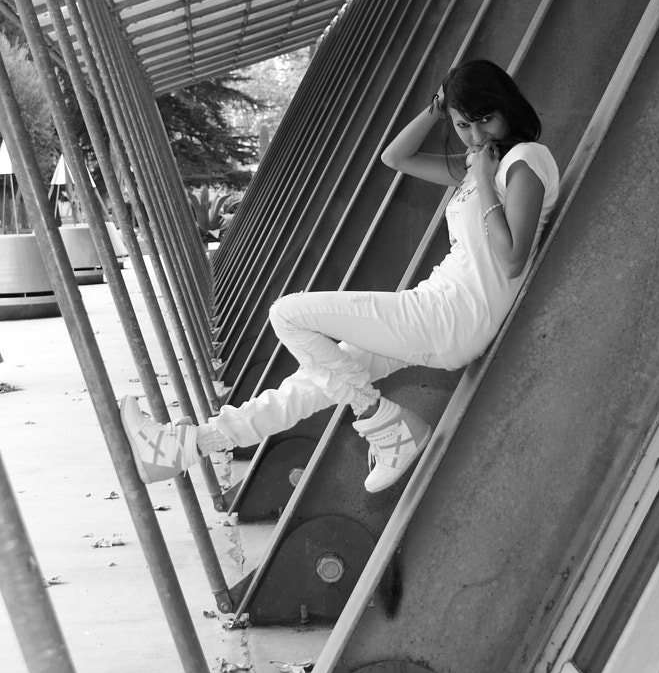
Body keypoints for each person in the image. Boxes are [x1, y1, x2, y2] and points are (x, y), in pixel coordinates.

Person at [120, 60, 559, 493]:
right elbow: (395, 157)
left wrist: (483, 180)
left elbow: (513, 260)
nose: (477, 136)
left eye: (486, 120)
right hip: (437, 313)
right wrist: (437, 107)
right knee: (311, 384)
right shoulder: (475, 167)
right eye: (464, 126)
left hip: (450, 316)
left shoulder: (524, 160)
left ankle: (380, 420)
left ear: (506, 107)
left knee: (288, 314)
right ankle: (186, 446)